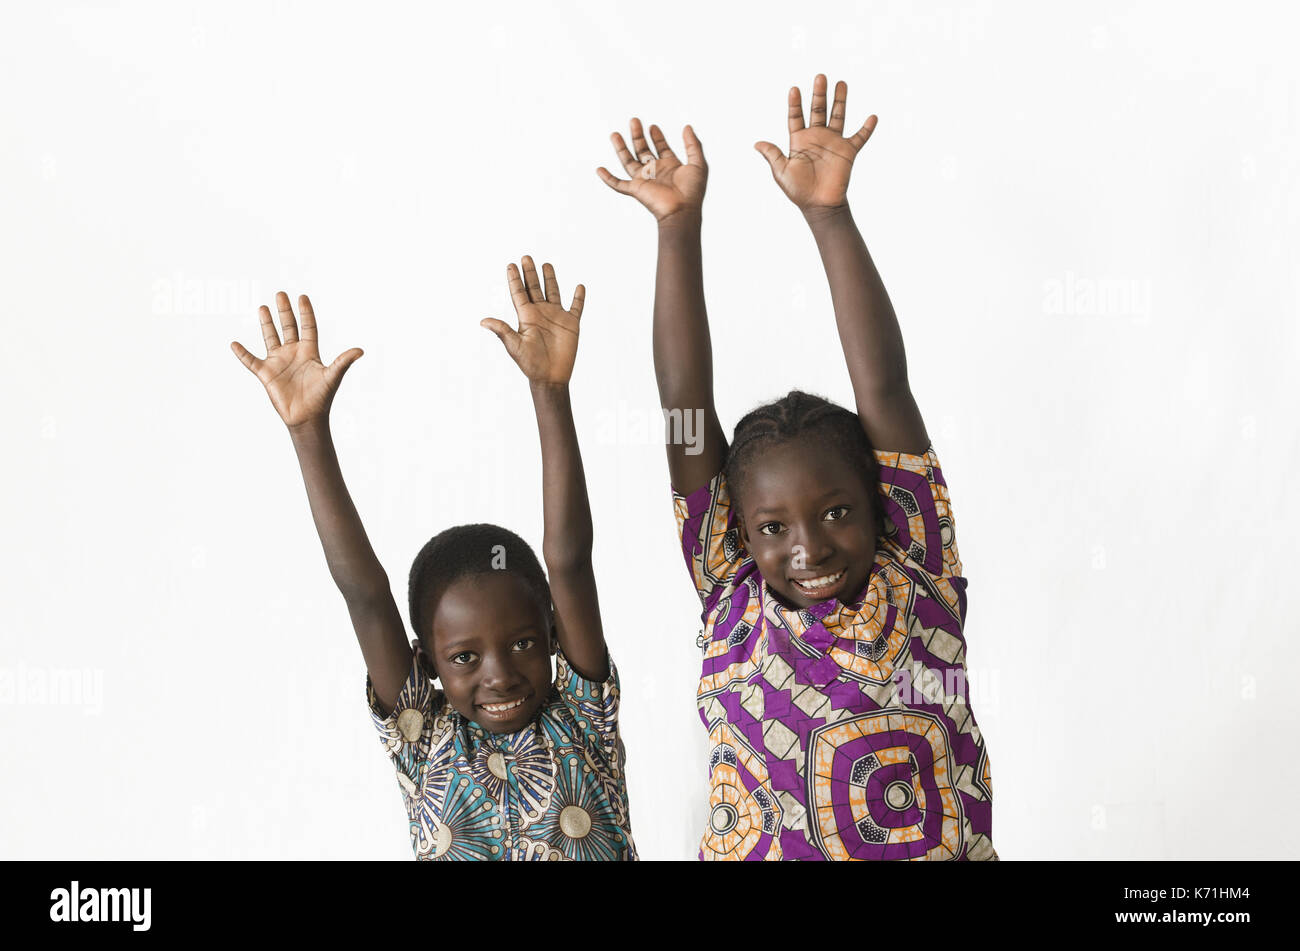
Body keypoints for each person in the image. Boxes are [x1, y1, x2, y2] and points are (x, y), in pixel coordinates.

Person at [597, 74, 996, 860]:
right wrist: (677, 228)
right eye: (773, 526)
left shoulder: (915, 569)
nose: (806, 546)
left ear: (883, 504)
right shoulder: (731, 590)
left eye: (837, 511)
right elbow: (684, 406)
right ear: (740, 530)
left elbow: (882, 385)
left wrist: (828, 215)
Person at [230, 260, 637, 860]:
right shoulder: (424, 736)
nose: (498, 674)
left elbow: (570, 561)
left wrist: (549, 392)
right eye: (465, 657)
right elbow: (366, 596)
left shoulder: (582, 714)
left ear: (553, 632)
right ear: (426, 660)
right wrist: (308, 432)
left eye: (523, 643)